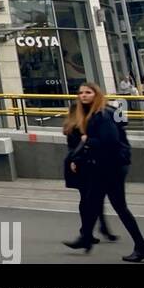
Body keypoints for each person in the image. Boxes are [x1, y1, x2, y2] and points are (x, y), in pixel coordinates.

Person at [63, 83, 144, 262]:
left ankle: (142, 246)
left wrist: (87, 140)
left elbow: (110, 142)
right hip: (104, 165)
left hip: (111, 167)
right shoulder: (94, 114)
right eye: (80, 93)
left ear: (96, 94)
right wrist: (78, 156)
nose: (83, 96)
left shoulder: (102, 114)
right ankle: (86, 237)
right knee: (92, 201)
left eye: (88, 92)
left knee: (118, 206)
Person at [63, 104, 116, 243]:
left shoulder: (69, 125)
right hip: (82, 162)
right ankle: (89, 231)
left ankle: (90, 230)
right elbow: (83, 145)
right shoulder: (81, 126)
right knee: (92, 197)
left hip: (74, 162)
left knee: (88, 197)